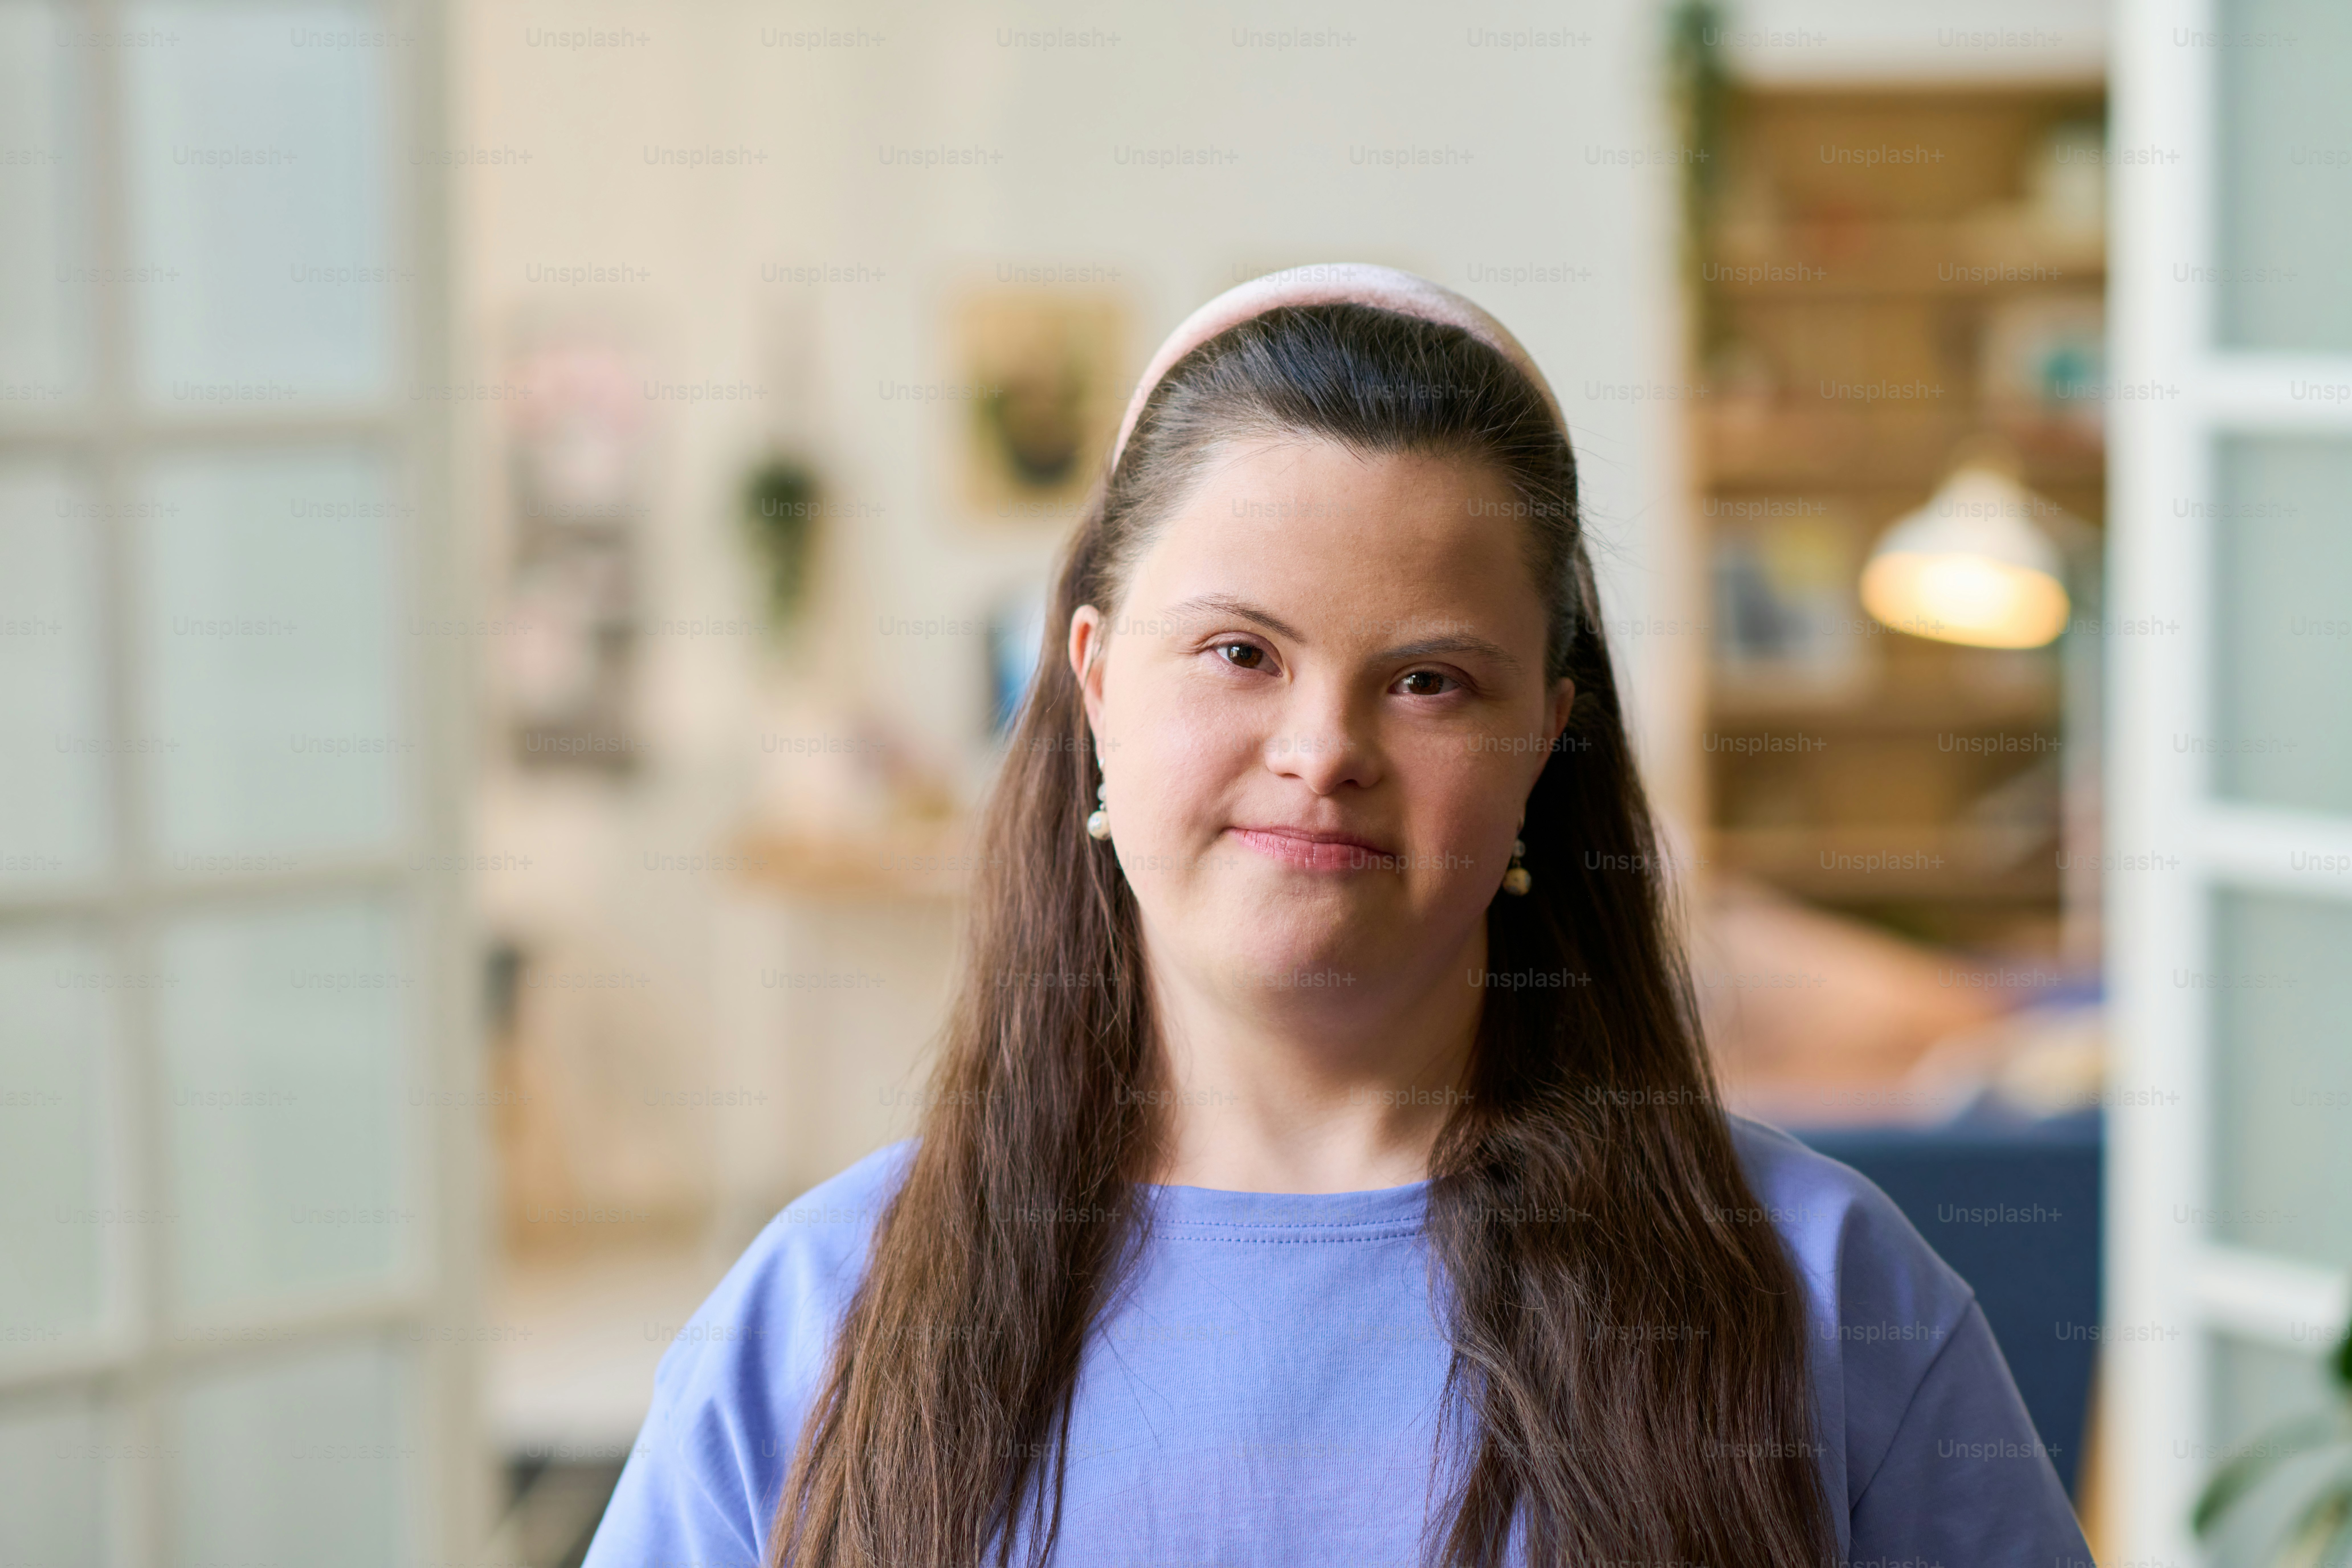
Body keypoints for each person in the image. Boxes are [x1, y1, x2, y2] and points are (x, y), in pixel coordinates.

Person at [581, 265, 2089, 1567]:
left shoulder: (1830, 1297)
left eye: (1431, 681)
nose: (1324, 752)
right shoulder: (814, 1318)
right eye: (1241, 652)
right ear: (1096, 681)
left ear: (1545, 740)